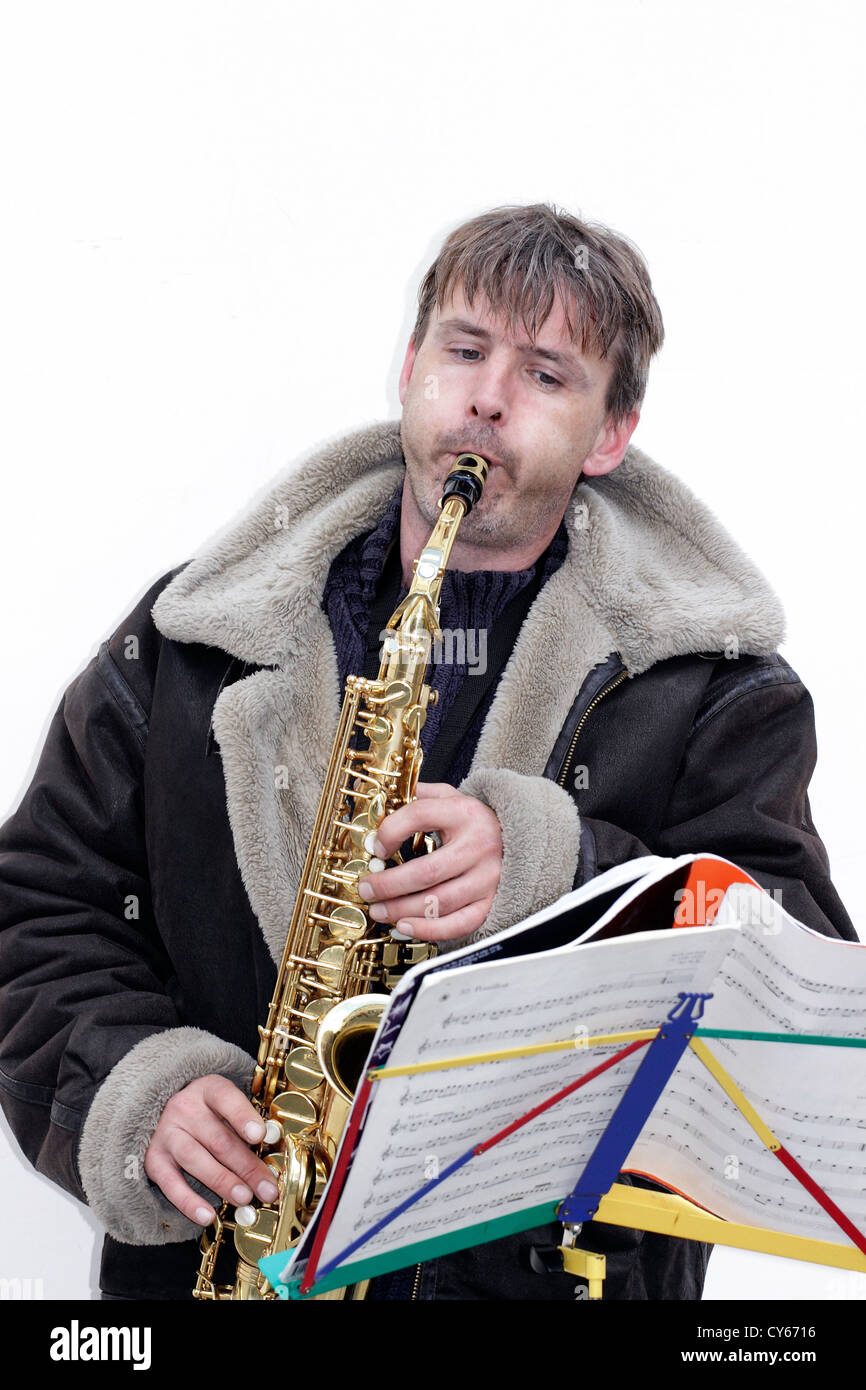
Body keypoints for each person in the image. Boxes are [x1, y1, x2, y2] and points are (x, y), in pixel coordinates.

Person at [0, 203, 856, 1302]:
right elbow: (36, 907)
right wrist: (134, 1088)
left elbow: (793, 996)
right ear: (409, 364)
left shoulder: (718, 690)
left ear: (609, 434)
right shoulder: (190, 639)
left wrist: (562, 867)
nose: (487, 399)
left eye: (547, 374)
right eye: (463, 350)